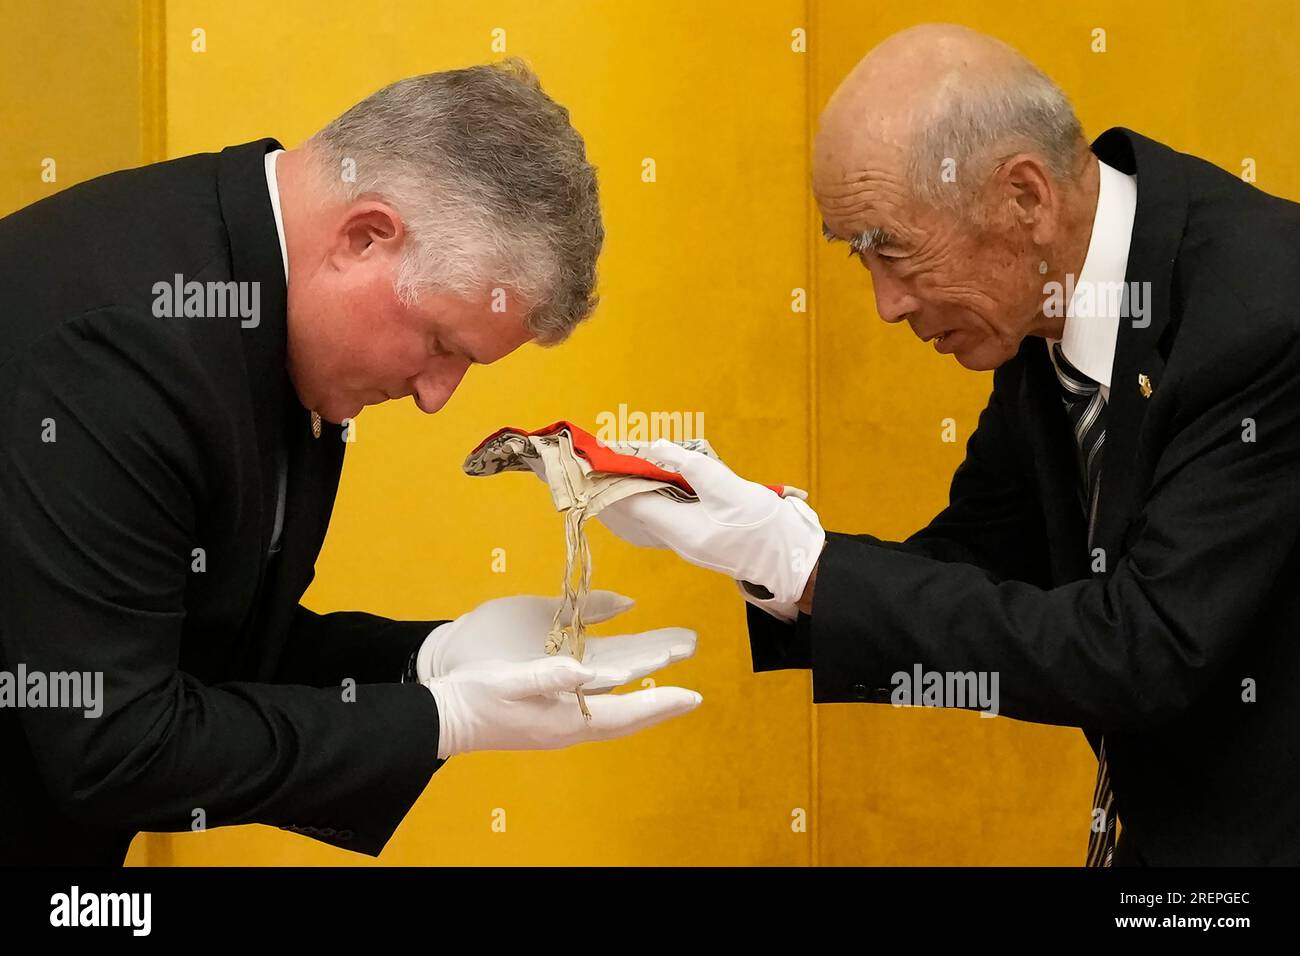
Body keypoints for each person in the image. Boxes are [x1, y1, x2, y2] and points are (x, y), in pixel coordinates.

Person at [596, 24, 1300, 866]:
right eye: (858, 257)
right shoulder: (1049, 301)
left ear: (1025, 199)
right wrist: (768, 558)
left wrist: (810, 566)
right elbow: (980, 564)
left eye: (891, 249)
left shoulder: (1267, 314)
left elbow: (1147, 649)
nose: (887, 304)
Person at [0, 60, 700, 866]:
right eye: (442, 345)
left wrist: (425, 658)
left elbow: (194, 644)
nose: (438, 396)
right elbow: (119, 745)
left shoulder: (259, 288)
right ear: (365, 237)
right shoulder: (123, 350)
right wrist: (442, 720)